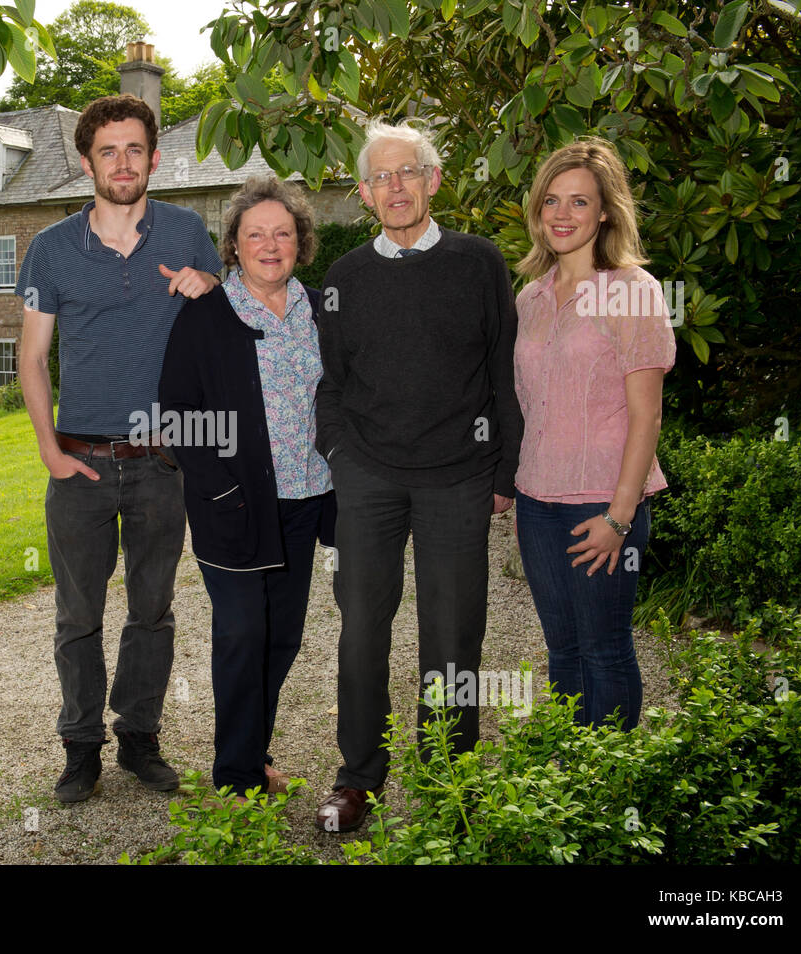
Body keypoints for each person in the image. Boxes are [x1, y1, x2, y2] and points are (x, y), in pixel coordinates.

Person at [313, 118, 524, 833]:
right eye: (380, 177)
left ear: (433, 181)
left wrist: (506, 467)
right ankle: (357, 782)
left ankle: (449, 779)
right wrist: (339, 455)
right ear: (365, 193)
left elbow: (503, 371)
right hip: (368, 477)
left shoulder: (479, 263)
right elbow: (331, 384)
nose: (395, 187)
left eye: (408, 173)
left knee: (454, 635)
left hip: (459, 478)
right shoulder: (343, 279)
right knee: (361, 632)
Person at [15, 94, 223, 804]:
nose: (123, 162)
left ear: (154, 158)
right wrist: (48, 450)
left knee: (153, 610)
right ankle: (80, 747)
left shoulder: (188, 232)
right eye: (108, 151)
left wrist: (212, 284)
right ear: (86, 163)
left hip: (161, 463)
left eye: (135, 149)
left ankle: (139, 737)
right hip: (78, 463)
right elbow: (33, 357)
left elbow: (226, 325)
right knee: (77, 616)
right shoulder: (51, 248)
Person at [158, 176, 335, 799]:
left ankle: (252, 755)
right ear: (233, 244)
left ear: (300, 242)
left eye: (282, 232)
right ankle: (235, 779)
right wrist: (221, 489)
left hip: (306, 501)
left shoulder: (319, 310)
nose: (269, 244)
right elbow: (177, 412)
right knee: (242, 634)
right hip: (235, 509)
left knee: (283, 637)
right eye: (254, 233)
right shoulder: (209, 314)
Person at [513, 138, 675, 732]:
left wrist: (619, 517)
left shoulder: (633, 290)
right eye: (551, 200)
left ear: (605, 211)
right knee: (563, 651)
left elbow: (647, 416)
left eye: (579, 202)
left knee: (605, 648)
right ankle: (571, 789)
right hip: (536, 501)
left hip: (603, 503)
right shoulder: (529, 297)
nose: (562, 214)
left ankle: (611, 790)